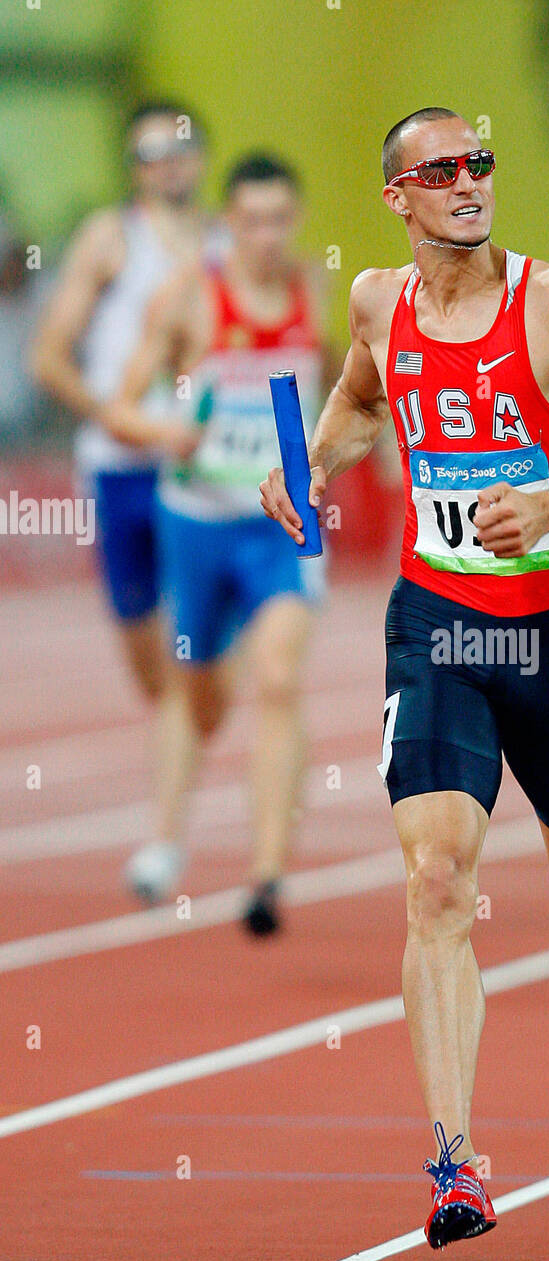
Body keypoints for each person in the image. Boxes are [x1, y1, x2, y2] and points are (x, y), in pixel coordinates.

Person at [259, 108, 549, 1246]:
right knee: (437, 881)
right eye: (442, 171)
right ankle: (456, 1162)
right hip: (438, 627)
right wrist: (305, 468)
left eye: (481, 164)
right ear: (397, 197)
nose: (469, 184)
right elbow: (362, 402)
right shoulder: (375, 301)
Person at [104, 154, 331, 937]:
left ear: (295, 220)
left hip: (283, 521)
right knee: (194, 692)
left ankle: (266, 876)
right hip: (197, 520)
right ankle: (166, 837)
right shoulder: (189, 299)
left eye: (280, 218)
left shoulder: (315, 290)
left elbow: (335, 379)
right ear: (227, 223)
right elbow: (120, 408)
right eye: (252, 219)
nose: (267, 235)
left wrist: (359, 454)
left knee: (276, 678)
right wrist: (173, 430)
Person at [30, 101, 212, 902]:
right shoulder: (112, 238)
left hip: (198, 472)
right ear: (133, 167)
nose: (168, 164)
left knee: (181, 666)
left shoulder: (226, 243)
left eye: (181, 149)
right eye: (150, 153)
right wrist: (115, 417)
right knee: (151, 665)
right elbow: (47, 356)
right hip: (119, 467)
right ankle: (196, 707)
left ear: (200, 159)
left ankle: (163, 840)